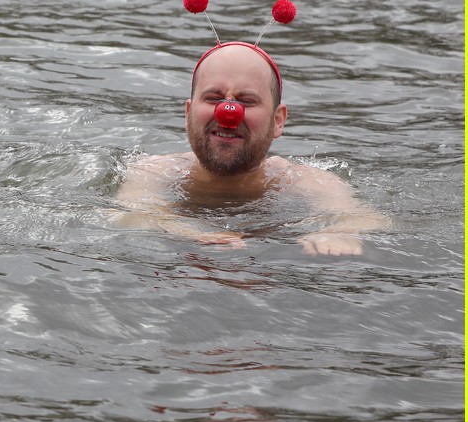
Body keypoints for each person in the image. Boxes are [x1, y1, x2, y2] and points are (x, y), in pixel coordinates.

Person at [116, 26, 388, 256]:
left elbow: (364, 217)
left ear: (278, 120)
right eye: (213, 98)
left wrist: (339, 232)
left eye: (247, 101)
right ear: (188, 113)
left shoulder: (301, 181)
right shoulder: (152, 172)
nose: (228, 112)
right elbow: (133, 214)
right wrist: (193, 233)